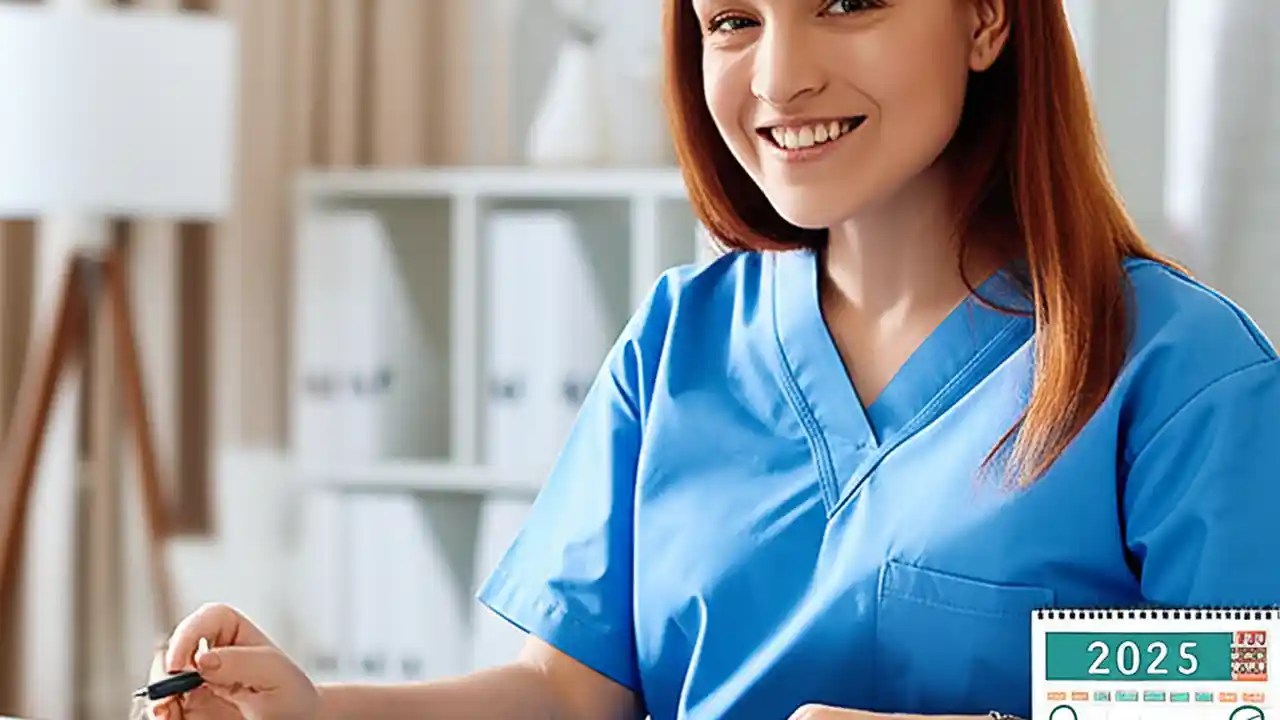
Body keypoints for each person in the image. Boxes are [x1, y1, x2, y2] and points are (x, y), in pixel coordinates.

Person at [151, 0, 1280, 718]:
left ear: (986, 20)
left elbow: (1231, 694)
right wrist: (311, 712)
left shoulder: (1180, 375)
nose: (777, 77)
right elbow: (567, 696)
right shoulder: (673, 342)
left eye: (846, 4)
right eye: (732, 20)